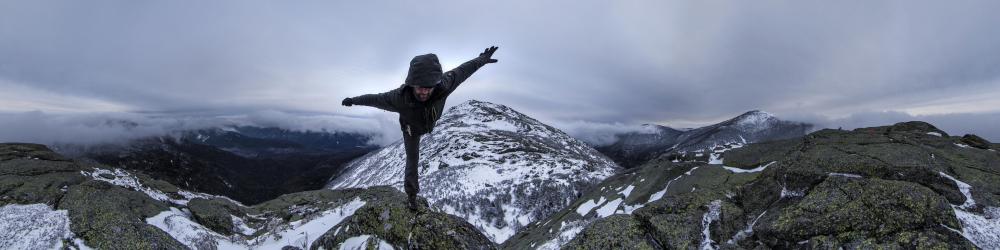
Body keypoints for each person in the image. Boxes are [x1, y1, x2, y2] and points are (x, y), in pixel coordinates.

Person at [341, 46, 499, 211]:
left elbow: (463, 70)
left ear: (435, 84)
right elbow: (375, 99)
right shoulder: (399, 98)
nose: (424, 91)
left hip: (428, 123)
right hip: (411, 130)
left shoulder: (444, 86)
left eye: (428, 87)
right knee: (412, 159)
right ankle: (411, 196)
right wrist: (353, 100)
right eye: (419, 86)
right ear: (411, 84)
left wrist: (482, 59)